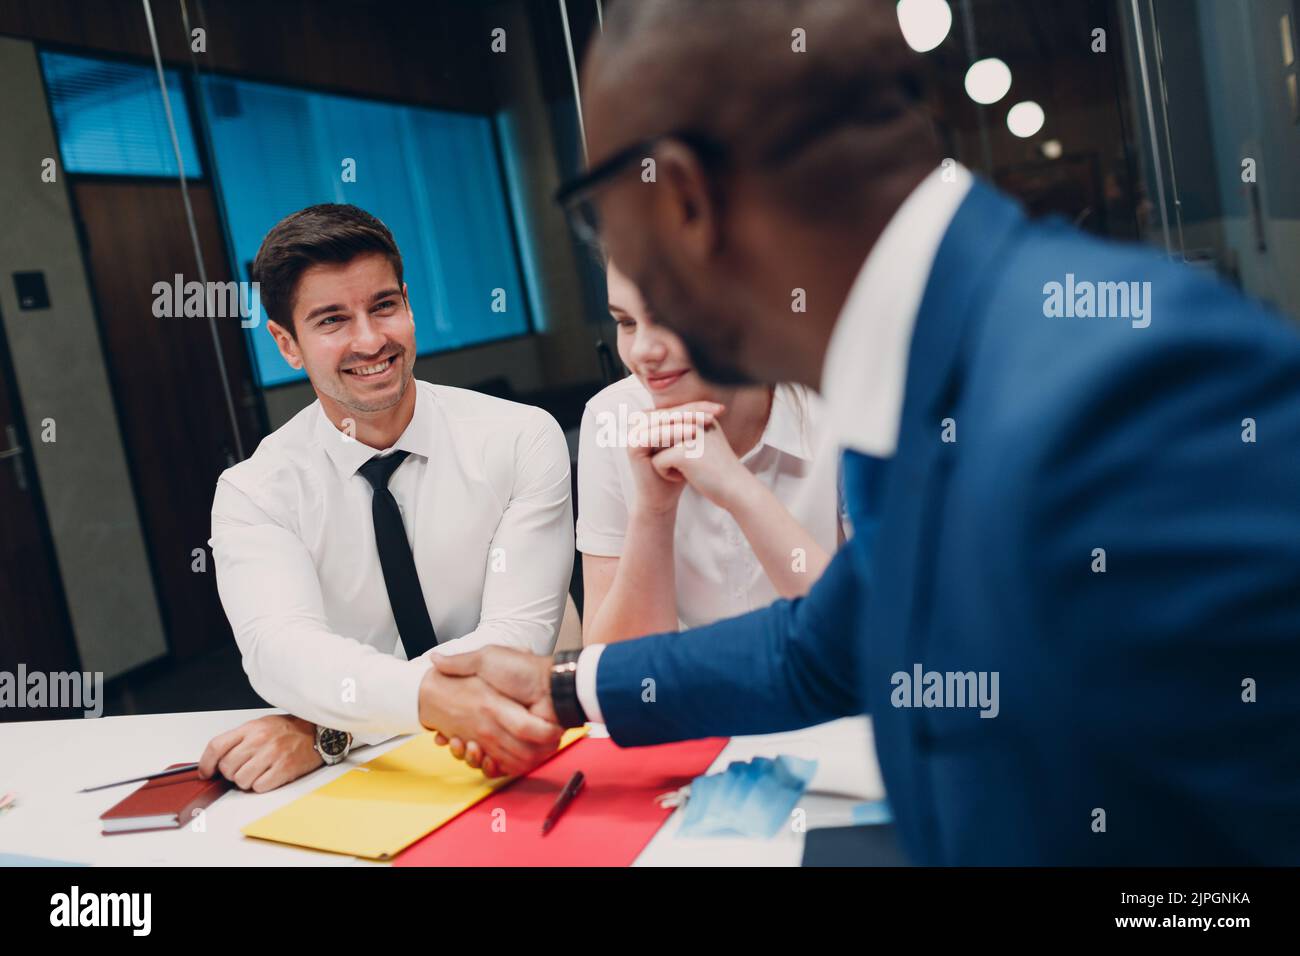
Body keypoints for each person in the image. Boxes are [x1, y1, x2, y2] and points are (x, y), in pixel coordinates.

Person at [430, 0, 1300, 864]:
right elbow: (822, 646)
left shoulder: (1130, 384)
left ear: (686, 198)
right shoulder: (917, 367)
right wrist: (563, 687)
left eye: (602, 215)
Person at [201, 203, 569, 792]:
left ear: (408, 303)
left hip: (509, 752)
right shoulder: (255, 491)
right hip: (372, 785)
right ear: (287, 344)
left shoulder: (521, 437)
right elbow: (283, 652)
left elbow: (517, 637)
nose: (370, 340)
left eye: (384, 306)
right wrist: (423, 700)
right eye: (331, 320)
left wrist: (335, 732)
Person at [577, 260, 841, 645]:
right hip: (691, 699)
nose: (644, 352)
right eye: (627, 322)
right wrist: (653, 512)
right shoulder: (611, 419)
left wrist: (739, 491)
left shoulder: (839, 408)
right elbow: (611, 667)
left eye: (670, 317)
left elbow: (873, 640)